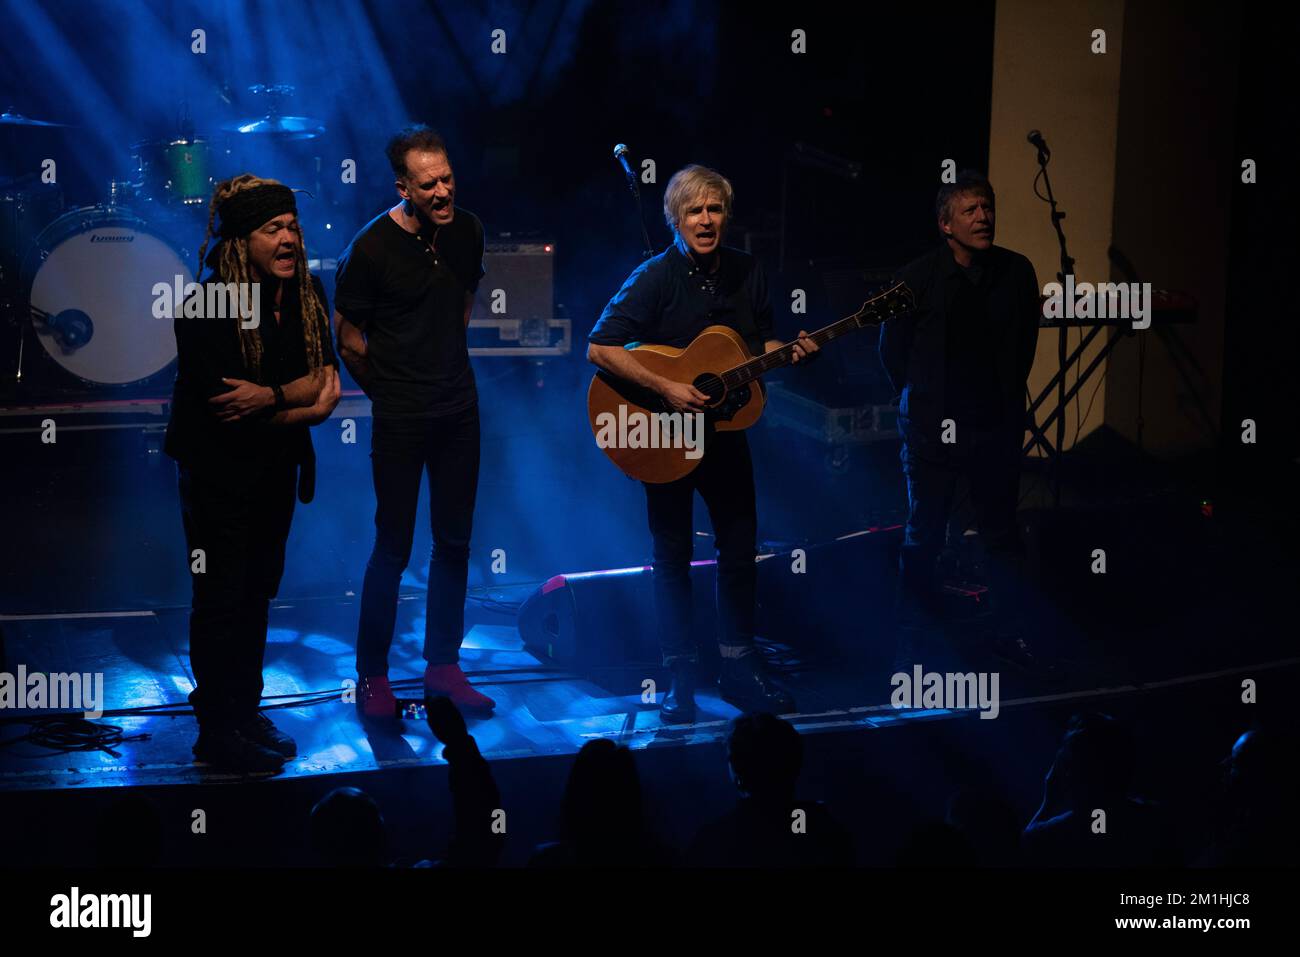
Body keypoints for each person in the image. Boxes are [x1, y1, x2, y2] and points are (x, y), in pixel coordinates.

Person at [587, 164, 817, 723]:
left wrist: (787, 349)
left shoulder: (747, 271)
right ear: (675, 218)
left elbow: (759, 338)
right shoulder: (655, 275)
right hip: (665, 433)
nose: (706, 220)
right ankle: (679, 676)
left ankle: (739, 666)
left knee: (740, 550)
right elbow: (600, 347)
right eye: (695, 211)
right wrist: (665, 384)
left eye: (715, 209)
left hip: (727, 434)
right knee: (672, 557)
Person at [165, 174, 341, 773]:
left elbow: (325, 387)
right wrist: (294, 402)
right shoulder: (206, 303)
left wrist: (269, 397)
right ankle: (216, 728)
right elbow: (227, 408)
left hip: (274, 468)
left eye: (292, 226)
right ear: (242, 241)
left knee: (259, 593)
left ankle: (243, 709)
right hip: (218, 474)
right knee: (221, 597)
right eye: (274, 229)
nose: (289, 238)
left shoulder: (308, 292)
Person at [334, 126, 494, 719]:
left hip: (459, 411)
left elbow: (461, 307)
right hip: (401, 417)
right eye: (429, 185)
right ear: (403, 187)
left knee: (453, 544)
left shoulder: (469, 231)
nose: (444, 191)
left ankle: (443, 666)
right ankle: (373, 676)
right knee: (393, 547)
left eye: (448, 178)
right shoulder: (371, 249)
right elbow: (348, 338)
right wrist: (393, 390)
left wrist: (442, 365)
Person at [878, 170, 1052, 674]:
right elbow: (892, 349)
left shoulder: (1016, 271)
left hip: (992, 423)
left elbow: (1023, 345)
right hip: (932, 426)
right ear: (945, 224)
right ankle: (911, 642)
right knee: (924, 534)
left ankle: (1011, 634)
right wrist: (917, 401)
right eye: (971, 210)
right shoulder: (916, 277)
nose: (983, 217)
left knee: (1001, 533)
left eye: (987, 207)